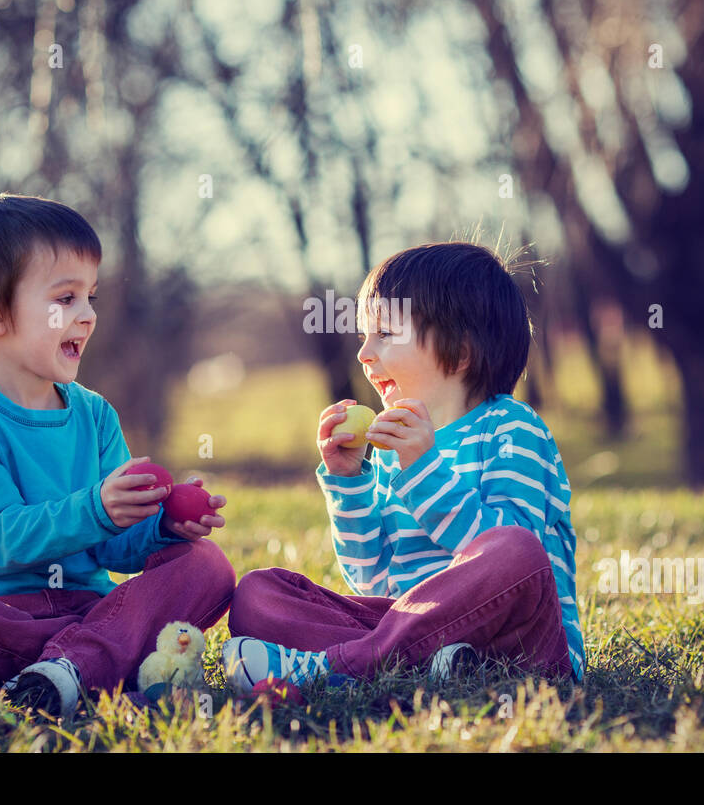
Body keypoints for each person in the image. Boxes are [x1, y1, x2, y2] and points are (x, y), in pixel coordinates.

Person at [0, 193, 235, 717]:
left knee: (207, 567)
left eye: (91, 296)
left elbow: (114, 550)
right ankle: (88, 666)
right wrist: (97, 508)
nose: (89, 315)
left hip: (90, 611)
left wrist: (163, 526)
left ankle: (65, 670)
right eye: (66, 298)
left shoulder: (94, 415)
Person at [223, 242, 585, 692]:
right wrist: (348, 482)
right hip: (414, 634)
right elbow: (371, 580)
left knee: (514, 549)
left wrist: (424, 469)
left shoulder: (511, 428)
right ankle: (425, 665)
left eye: (385, 335)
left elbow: (519, 564)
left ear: (461, 349)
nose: (364, 355)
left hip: (520, 646)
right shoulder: (394, 446)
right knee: (259, 594)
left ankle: (343, 665)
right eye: (363, 337)